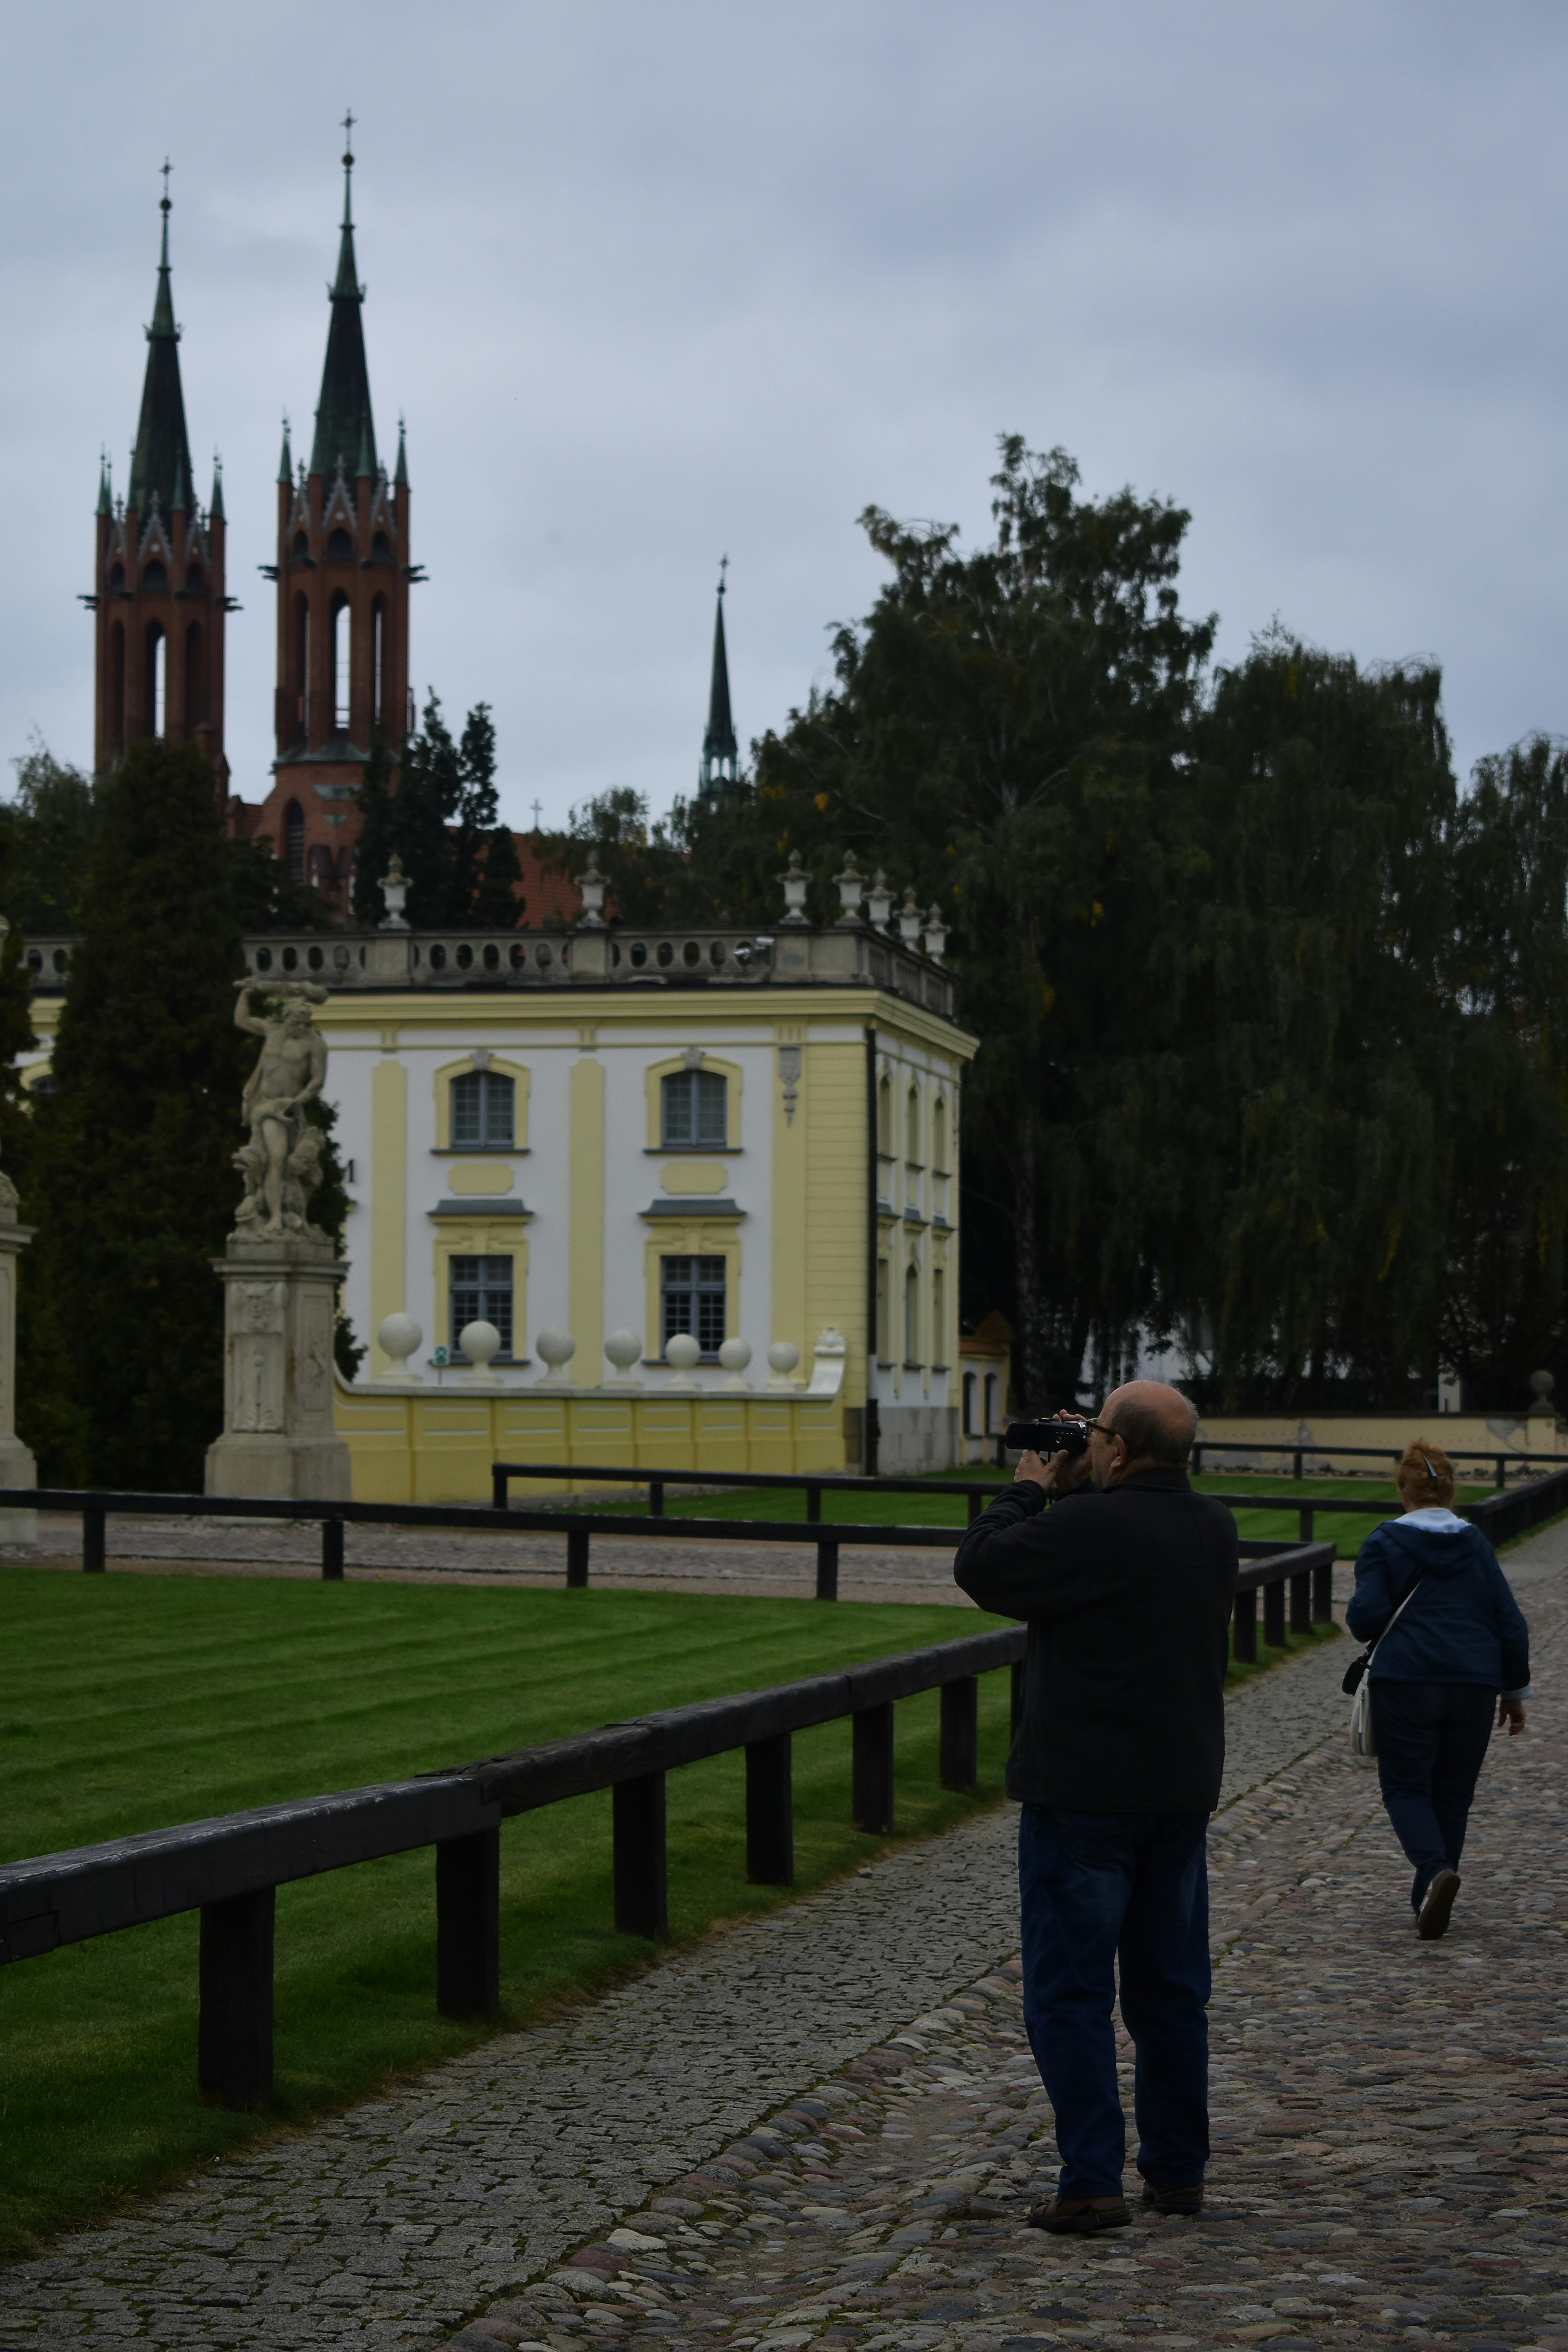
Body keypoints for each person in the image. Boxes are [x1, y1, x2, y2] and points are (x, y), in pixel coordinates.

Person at [954, 1380, 1237, 2236]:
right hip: (1177, 1789)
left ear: (1116, 1447)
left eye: (1097, 1432)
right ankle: (1177, 2171)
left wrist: (1034, 1481)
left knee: (1070, 1993)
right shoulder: (1211, 1526)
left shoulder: (1085, 1525)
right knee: (1169, 1991)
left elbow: (981, 1566)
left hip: (1081, 1794)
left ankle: (1089, 2180)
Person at [1347, 1438, 1530, 1942]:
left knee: (1405, 1787)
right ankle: (1427, 1897)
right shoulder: (1475, 1543)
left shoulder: (1384, 1541)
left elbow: (1364, 1619)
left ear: (1402, 1490)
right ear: (1449, 1491)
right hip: (1474, 1684)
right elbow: (1508, 1623)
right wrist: (1514, 1691)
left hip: (1405, 1680)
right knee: (1452, 1795)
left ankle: (1432, 1874)